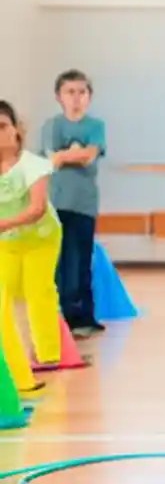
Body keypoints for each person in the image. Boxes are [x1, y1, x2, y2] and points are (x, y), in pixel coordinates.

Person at [0, 101, 61, 398]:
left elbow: (37, 209)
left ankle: (48, 354)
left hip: (42, 237)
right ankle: (11, 362)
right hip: (7, 243)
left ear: (16, 129)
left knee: (38, 290)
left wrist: (4, 223)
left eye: (2, 127)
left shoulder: (33, 164)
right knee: (5, 296)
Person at [39, 69, 106, 338]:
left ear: (89, 97)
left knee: (82, 259)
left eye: (82, 92)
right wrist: (73, 154)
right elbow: (51, 159)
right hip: (56, 203)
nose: (76, 98)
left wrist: (69, 155)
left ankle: (85, 316)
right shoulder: (51, 126)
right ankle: (63, 315)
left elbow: (89, 156)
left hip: (85, 204)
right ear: (59, 96)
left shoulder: (96, 126)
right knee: (61, 261)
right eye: (70, 92)